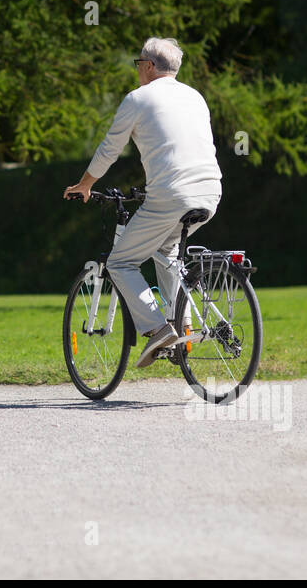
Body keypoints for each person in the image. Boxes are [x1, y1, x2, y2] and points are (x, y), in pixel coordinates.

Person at [62, 37, 222, 367]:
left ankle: (158, 329)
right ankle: (184, 328)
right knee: (166, 252)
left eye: (139, 65)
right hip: (211, 191)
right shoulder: (196, 97)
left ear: (148, 66)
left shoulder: (138, 98)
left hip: (171, 194)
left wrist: (85, 184)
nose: (138, 72)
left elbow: (110, 149)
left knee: (120, 263)